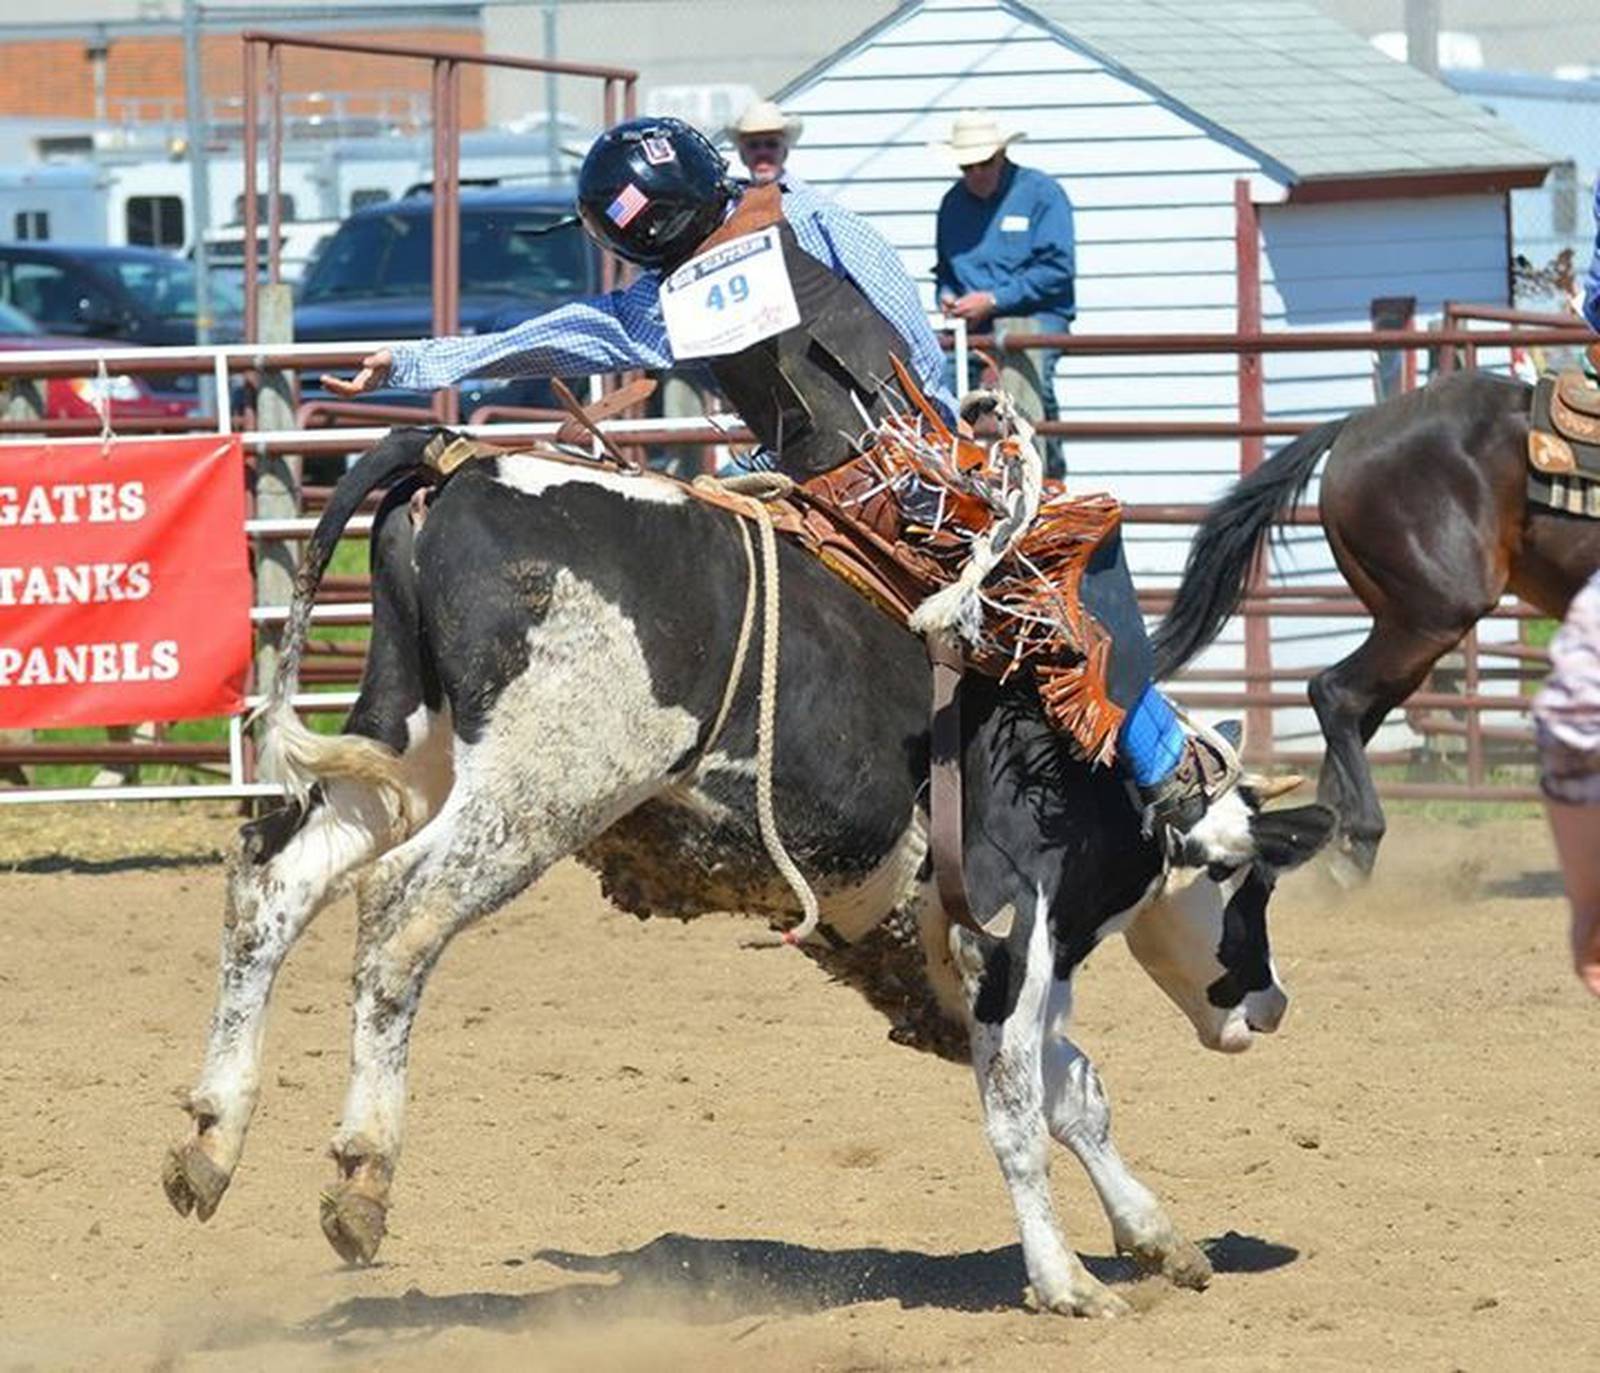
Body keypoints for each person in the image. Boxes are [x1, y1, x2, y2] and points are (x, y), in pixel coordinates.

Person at [322, 115, 1235, 855]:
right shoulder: (803, 215)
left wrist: (412, 362)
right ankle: (1164, 766)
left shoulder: (663, 300)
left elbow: (557, 336)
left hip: (815, 486)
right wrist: (937, 425)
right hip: (908, 468)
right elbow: (904, 320)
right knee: (1047, 575)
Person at [933, 109, 1075, 479]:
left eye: (984, 164)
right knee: (934, 385)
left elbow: (1056, 270)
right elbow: (945, 271)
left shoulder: (1042, 194)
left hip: (1034, 313)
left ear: (1002, 156)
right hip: (970, 322)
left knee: (1023, 384)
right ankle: (951, 478)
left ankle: (1041, 477)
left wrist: (993, 300)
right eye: (968, 167)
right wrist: (947, 296)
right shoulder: (952, 204)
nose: (976, 174)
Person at [727, 99, 802, 188]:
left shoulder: (808, 196)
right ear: (742, 155)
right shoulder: (731, 195)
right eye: (753, 145)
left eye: (772, 144)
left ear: (785, 152)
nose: (762, 152)